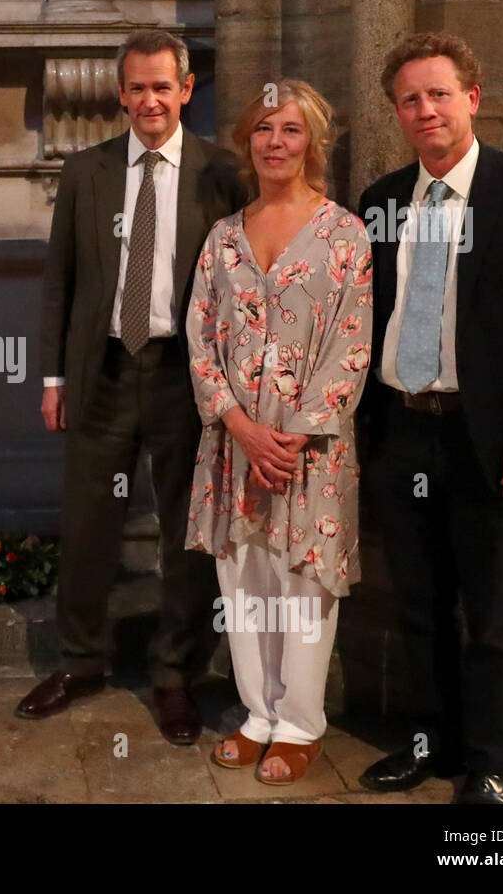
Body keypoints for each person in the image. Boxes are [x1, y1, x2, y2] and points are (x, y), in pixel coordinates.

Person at [356, 32, 503, 804]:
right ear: (397, 112)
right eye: (410, 99)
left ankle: (490, 764)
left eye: (438, 94)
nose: (426, 110)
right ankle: (433, 746)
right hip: (403, 431)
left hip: (493, 442)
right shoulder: (382, 202)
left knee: (491, 616)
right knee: (419, 606)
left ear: (473, 99)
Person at [17, 30, 247, 742]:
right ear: (121, 93)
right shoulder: (86, 171)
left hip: (187, 375)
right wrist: (53, 374)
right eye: (137, 87)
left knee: (187, 529)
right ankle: (82, 660)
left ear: (186, 89)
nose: (150, 99)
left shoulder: (221, 173)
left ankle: (175, 672)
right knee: (89, 523)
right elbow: (61, 279)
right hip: (103, 370)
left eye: (163, 86)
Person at [186, 80, 372, 784]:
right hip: (233, 444)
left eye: (290, 130)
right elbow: (200, 339)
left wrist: (290, 436)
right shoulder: (223, 236)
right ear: (246, 141)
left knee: (302, 584)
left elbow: (351, 346)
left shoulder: (346, 235)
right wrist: (238, 425)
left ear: (312, 143)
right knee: (244, 579)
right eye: (264, 128)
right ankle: (258, 714)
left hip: (309, 449)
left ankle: (299, 724)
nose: (275, 142)